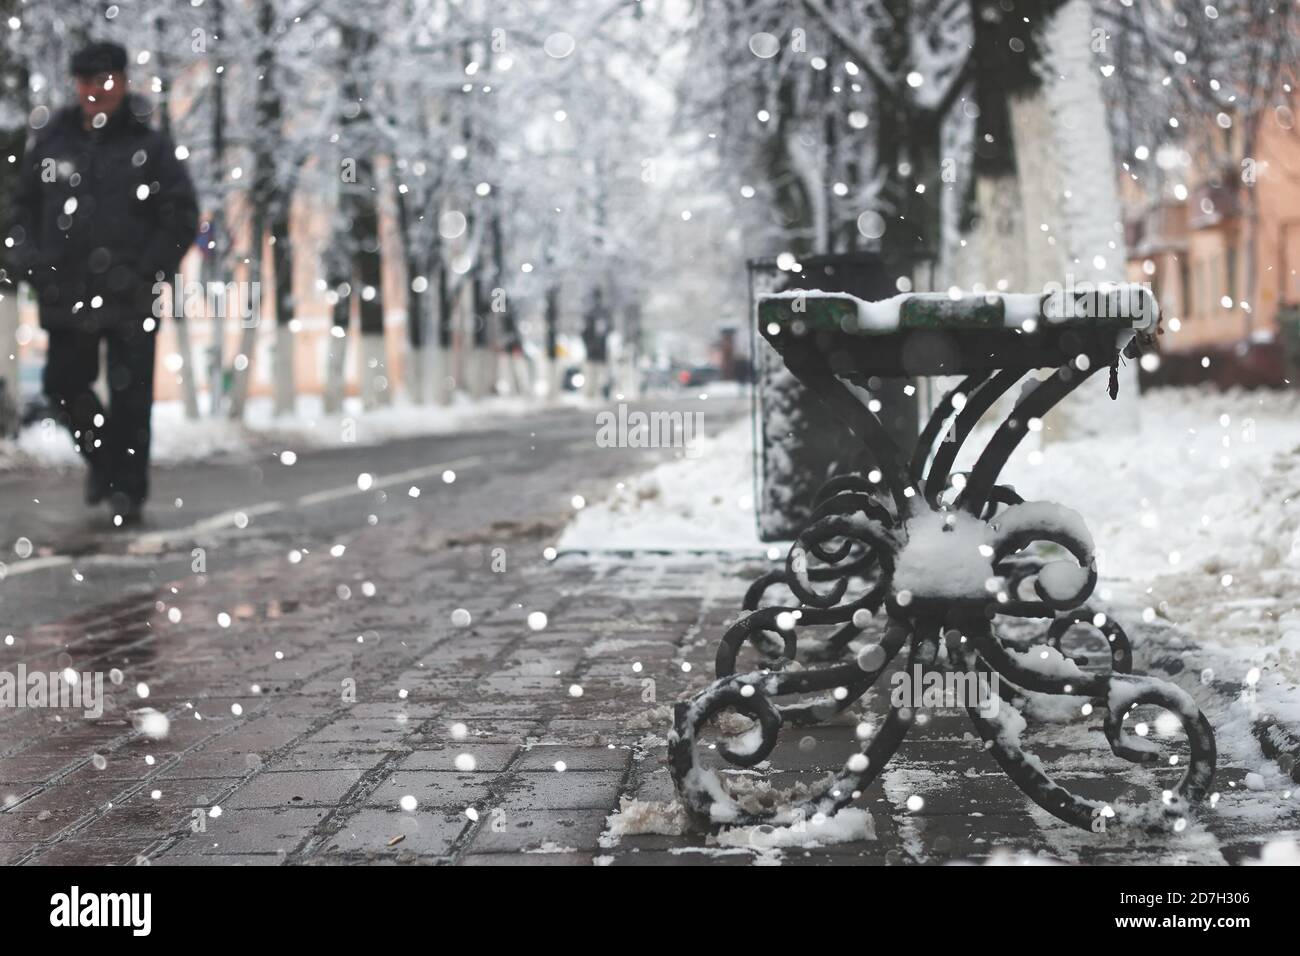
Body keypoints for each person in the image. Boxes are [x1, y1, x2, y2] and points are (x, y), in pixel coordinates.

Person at [4, 41, 197, 526]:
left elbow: (180, 216)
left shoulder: (149, 148)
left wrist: (148, 270)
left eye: (107, 80)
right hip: (65, 294)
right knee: (63, 385)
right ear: (77, 85)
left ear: (123, 82)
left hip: (131, 296)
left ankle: (127, 494)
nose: (97, 90)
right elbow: (18, 211)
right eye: (88, 81)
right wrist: (32, 263)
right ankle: (107, 465)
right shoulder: (53, 144)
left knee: (131, 397)